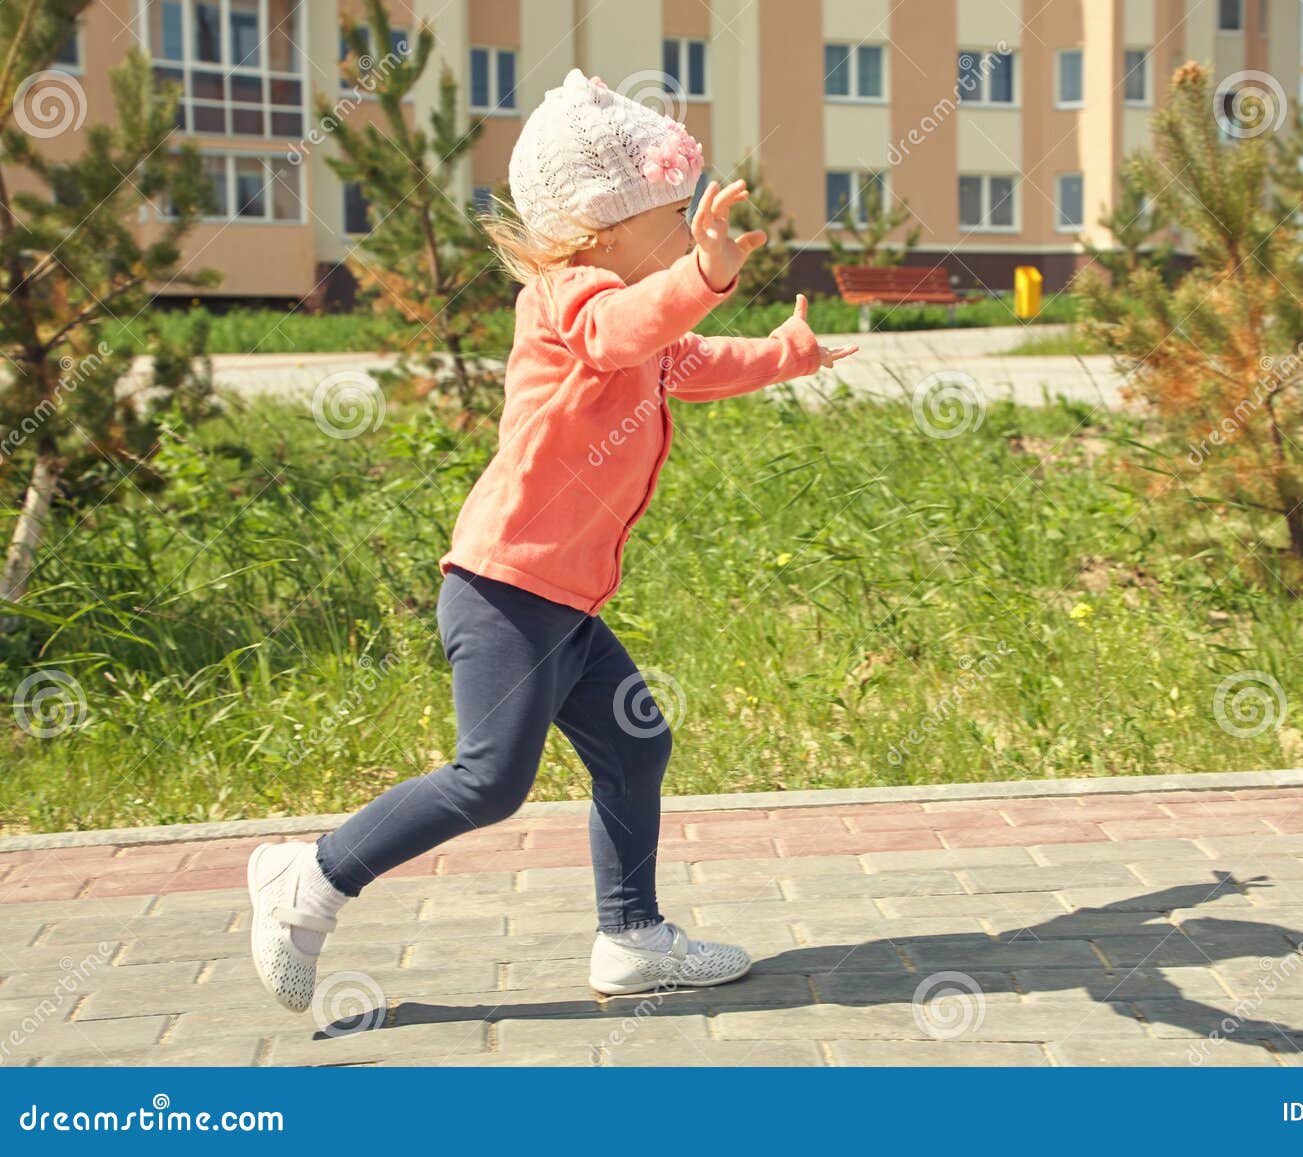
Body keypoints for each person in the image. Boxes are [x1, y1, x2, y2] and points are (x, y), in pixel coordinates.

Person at [246, 69, 858, 1013]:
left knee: (634, 743)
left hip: (563, 601)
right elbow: (620, 336)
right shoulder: (567, 299)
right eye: (674, 213)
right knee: (489, 781)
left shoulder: (637, 312)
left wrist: (787, 353)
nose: (689, 225)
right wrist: (704, 274)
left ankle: (632, 936)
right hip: (505, 589)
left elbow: (685, 359)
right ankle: (310, 878)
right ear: (604, 227)